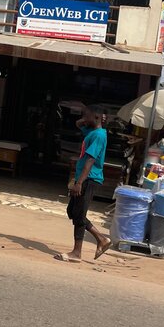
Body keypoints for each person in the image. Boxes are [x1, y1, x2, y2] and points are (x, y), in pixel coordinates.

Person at [55, 104, 111, 263]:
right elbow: (78, 124)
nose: (84, 118)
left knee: (79, 215)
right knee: (72, 211)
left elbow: (90, 160)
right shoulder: (92, 132)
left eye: (88, 115)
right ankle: (101, 239)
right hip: (84, 178)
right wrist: (87, 117)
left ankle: (77, 253)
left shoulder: (99, 135)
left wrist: (79, 182)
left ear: (97, 117)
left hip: (89, 179)